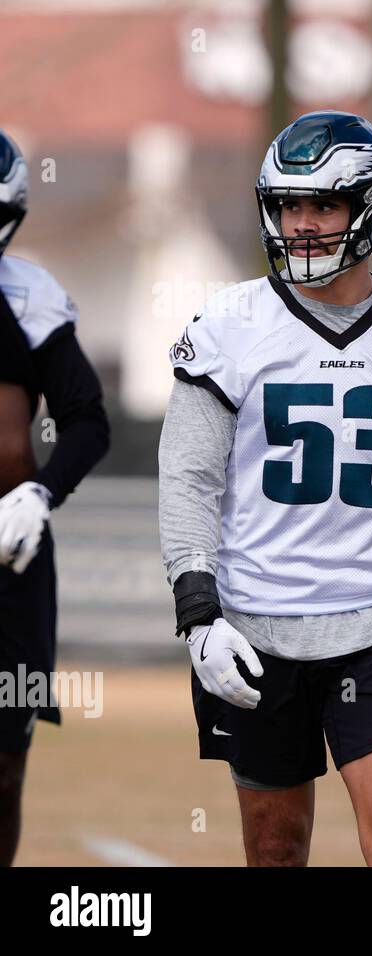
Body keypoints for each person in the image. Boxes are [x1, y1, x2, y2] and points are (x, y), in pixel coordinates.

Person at [158, 110, 372, 866]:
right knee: (276, 846)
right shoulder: (229, 323)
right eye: (288, 205)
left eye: (323, 205)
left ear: (370, 209)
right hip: (256, 626)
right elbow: (188, 476)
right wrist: (198, 613)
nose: (302, 224)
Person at [0, 129, 111, 865]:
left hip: (7, 550)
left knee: (5, 759)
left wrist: (39, 494)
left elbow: (86, 421)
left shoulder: (28, 295)